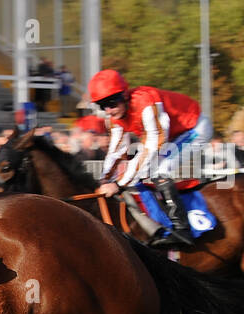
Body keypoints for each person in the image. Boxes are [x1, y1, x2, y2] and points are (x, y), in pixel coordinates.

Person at [88, 68, 211, 248]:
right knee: (142, 171)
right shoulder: (115, 118)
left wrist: (119, 183)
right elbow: (116, 151)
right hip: (171, 136)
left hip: (194, 128)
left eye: (111, 103)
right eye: (102, 105)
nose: (108, 110)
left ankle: (181, 229)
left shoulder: (146, 102)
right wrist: (104, 180)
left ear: (124, 95)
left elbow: (156, 142)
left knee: (159, 170)